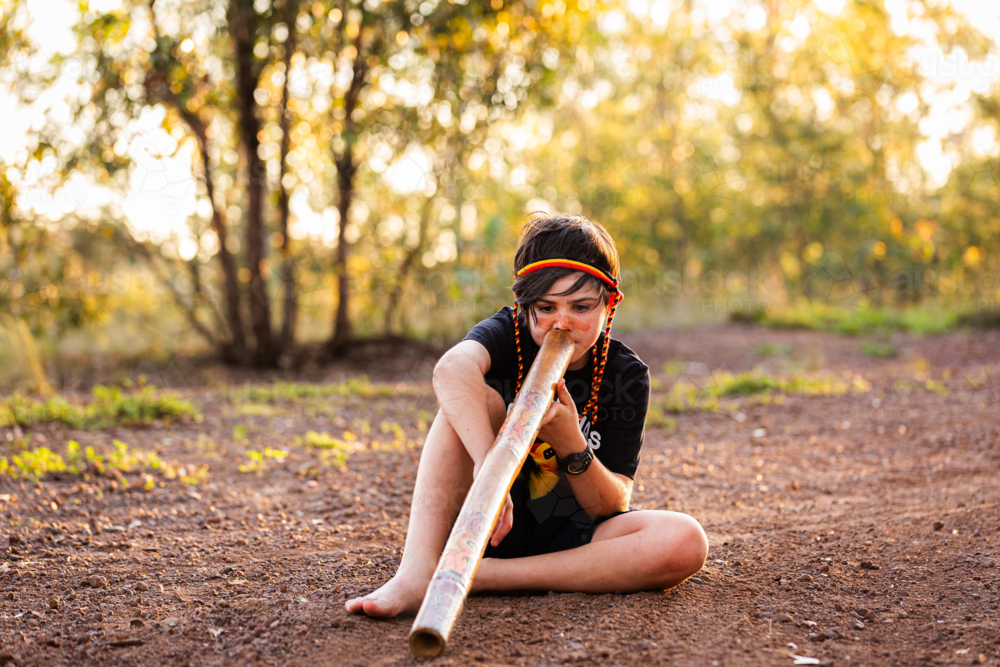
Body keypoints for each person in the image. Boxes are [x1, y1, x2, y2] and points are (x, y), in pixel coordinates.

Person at [346, 214, 708, 618]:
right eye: (546, 307)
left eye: (581, 306)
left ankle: (483, 577)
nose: (562, 321)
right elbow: (450, 370)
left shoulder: (626, 374)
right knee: (473, 399)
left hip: (575, 542)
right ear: (525, 306)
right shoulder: (508, 333)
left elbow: (610, 505)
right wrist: (491, 471)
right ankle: (417, 573)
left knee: (684, 541)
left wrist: (571, 440)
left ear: (610, 304)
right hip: (485, 528)